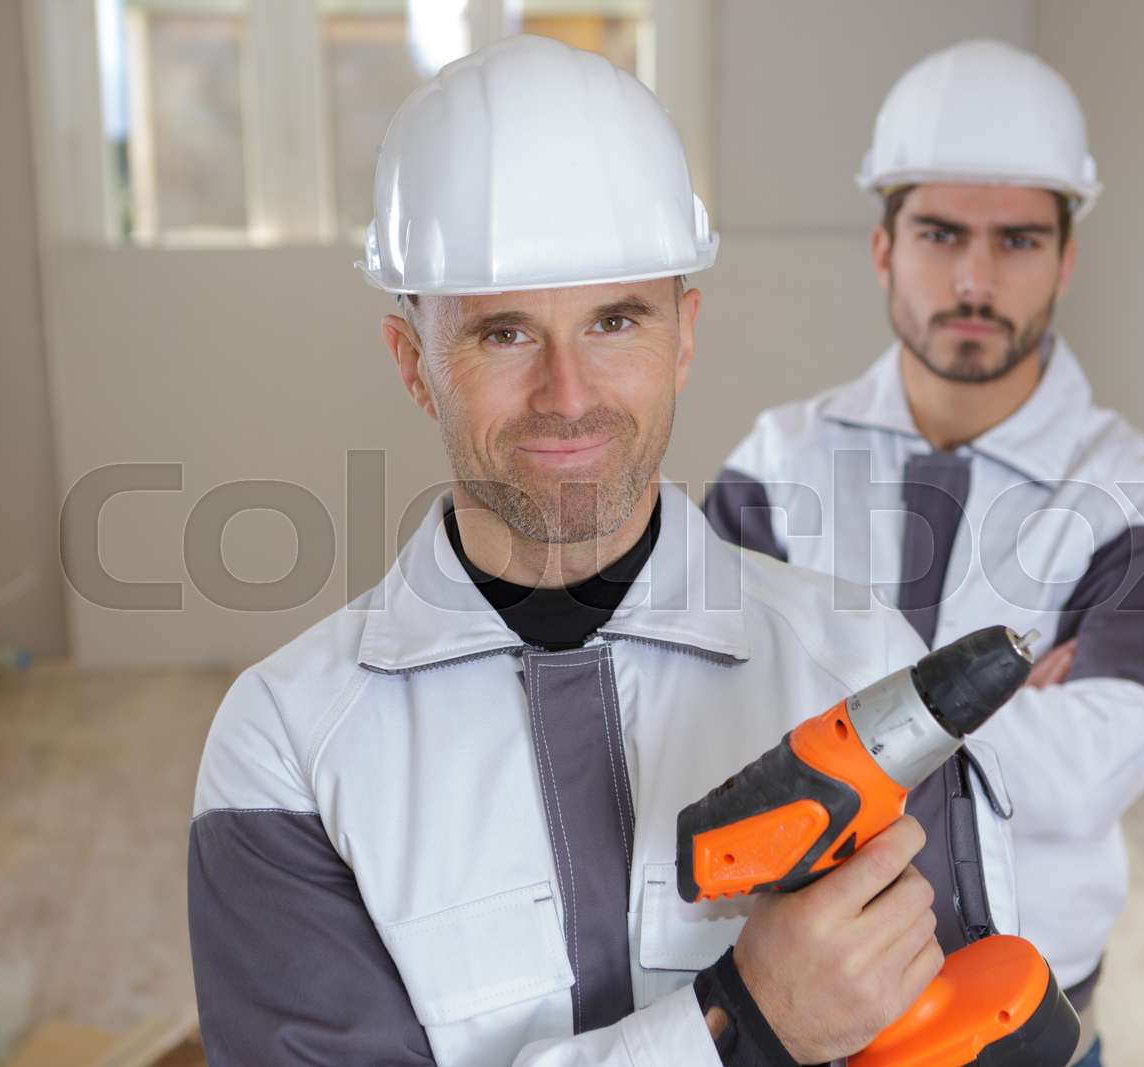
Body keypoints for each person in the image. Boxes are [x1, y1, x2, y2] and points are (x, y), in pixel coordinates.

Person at [187, 36, 1019, 1066]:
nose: (567, 394)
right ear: (413, 362)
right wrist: (742, 1025)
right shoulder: (287, 747)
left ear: (681, 336)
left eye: (614, 320)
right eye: (502, 333)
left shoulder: (860, 671)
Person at [704, 40, 1144, 1067]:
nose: (975, 278)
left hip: (1028, 1026)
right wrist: (1002, 695)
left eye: (1017, 240)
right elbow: (716, 742)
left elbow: (1080, 781)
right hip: (810, 1019)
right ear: (883, 245)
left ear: (1065, 258)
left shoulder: (1142, 496)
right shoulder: (777, 461)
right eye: (939, 232)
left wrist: (839, 716)